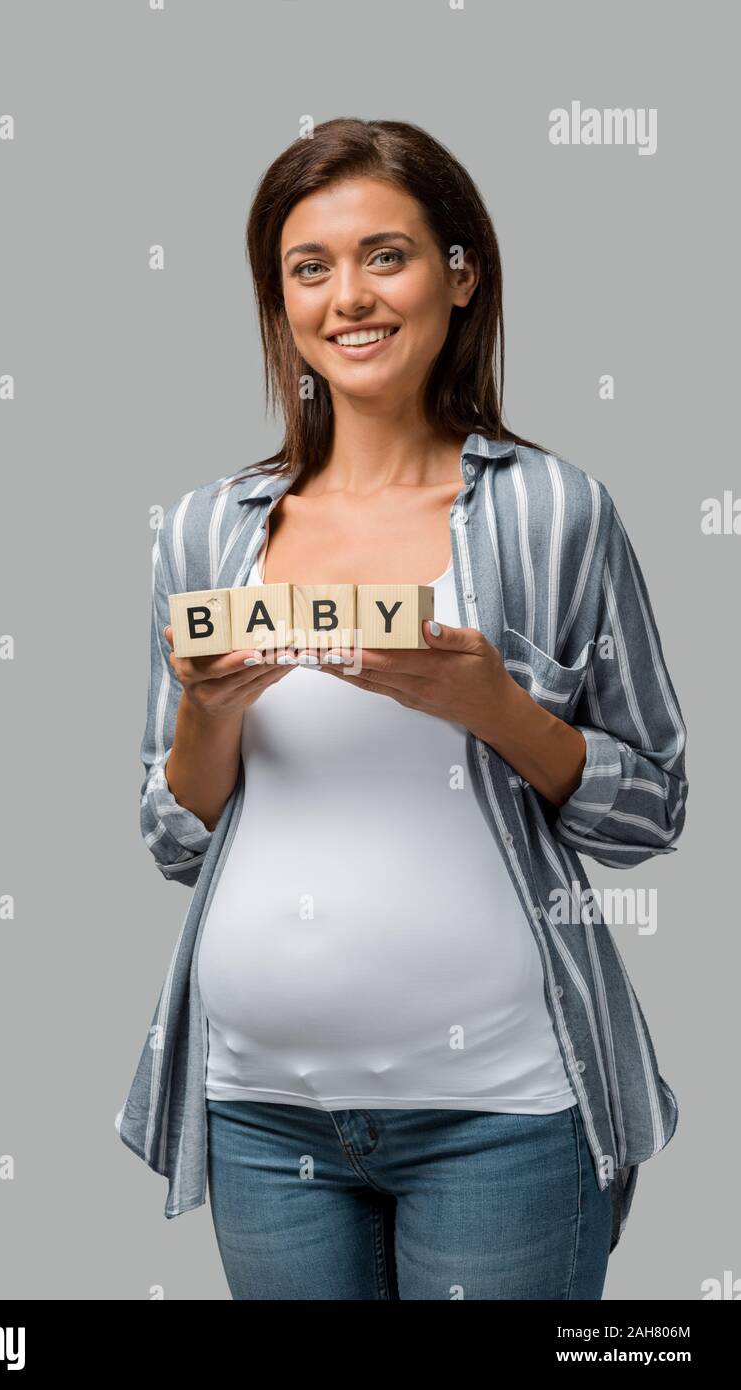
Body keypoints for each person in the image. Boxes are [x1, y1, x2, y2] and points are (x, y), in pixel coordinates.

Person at [115, 118, 688, 1301]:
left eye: (388, 254)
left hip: (504, 1115)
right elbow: (173, 836)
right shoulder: (204, 531)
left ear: (459, 273)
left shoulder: (557, 513)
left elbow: (652, 811)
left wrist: (491, 705)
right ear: (280, 302)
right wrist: (207, 718)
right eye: (309, 267)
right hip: (264, 1116)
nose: (349, 297)